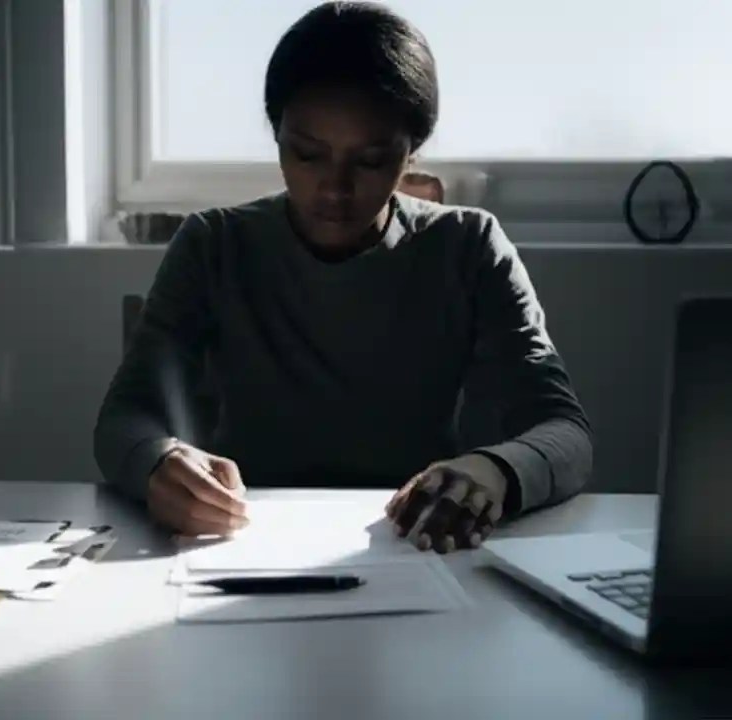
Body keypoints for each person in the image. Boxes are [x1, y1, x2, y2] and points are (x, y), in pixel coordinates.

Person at [94, 1, 592, 553]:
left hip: (417, 544)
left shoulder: (468, 246)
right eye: (307, 155)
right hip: (240, 546)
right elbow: (125, 418)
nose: (334, 190)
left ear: (411, 153)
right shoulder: (213, 244)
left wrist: (494, 470)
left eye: (372, 160)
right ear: (277, 135)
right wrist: (160, 460)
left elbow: (565, 433)